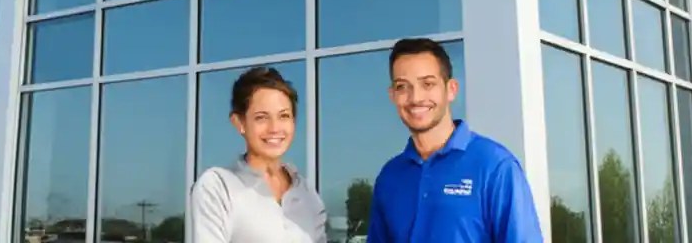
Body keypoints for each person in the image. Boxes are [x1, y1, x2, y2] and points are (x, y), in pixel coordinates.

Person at [368, 38, 543, 242]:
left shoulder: (495, 167)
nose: (415, 97)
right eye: (402, 86)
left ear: (451, 89)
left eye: (428, 84)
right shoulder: (390, 176)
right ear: (392, 95)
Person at [191, 66, 328, 242]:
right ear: (239, 122)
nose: (274, 128)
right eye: (261, 117)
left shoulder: (307, 194)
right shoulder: (217, 187)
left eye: (284, 116)